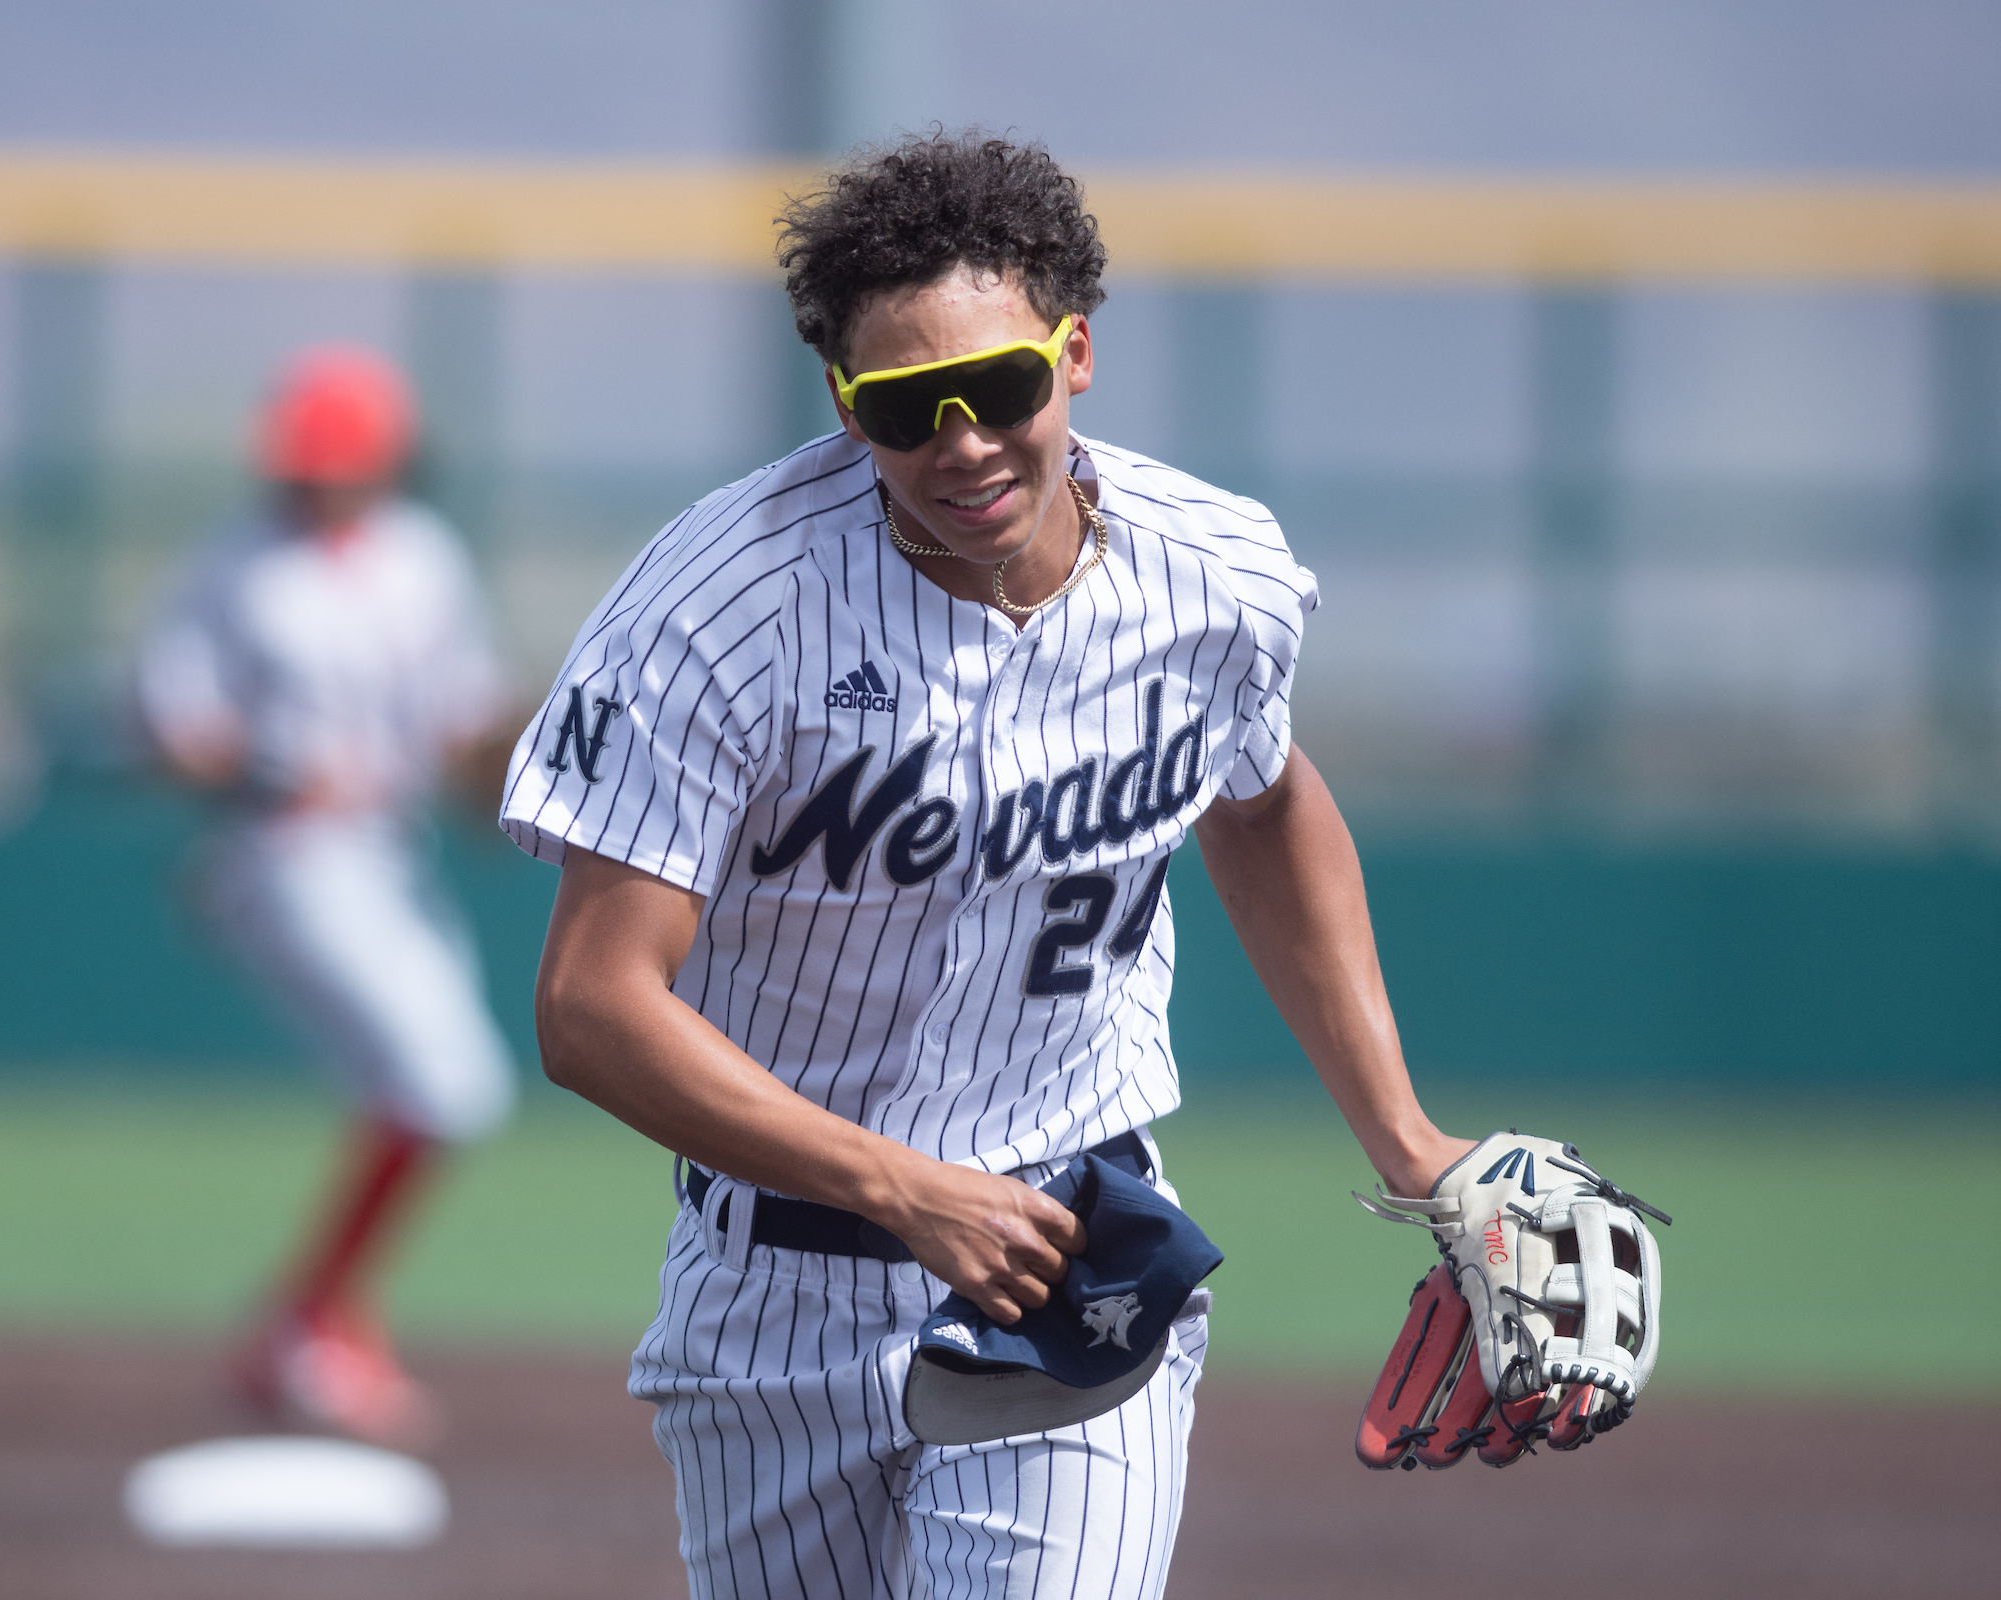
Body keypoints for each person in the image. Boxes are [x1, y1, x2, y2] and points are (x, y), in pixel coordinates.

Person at [499, 134, 1482, 1598]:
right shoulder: (723, 609)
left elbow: (1264, 805)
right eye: (903, 407)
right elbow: (589, 1005)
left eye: (1003, 386)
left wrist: (1409, 1140)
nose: (961, 441)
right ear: (845, 405)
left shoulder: (1215, 572)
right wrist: (901, 1186)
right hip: (774, 1287)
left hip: (1068, 1263)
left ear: (1074, 355)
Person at [135, 345, 517, 1445]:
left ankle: (305, 1325)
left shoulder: (423, 559)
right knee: (443, 1082)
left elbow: (458, 726)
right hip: (284, 854)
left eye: (332, 459)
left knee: (433, 1088)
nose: (309, 478)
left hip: (389, 857)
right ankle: (312, 1325)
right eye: (301, 460)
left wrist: (509, 767)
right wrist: (271, 766)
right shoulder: (236, 565)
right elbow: (169, 732)